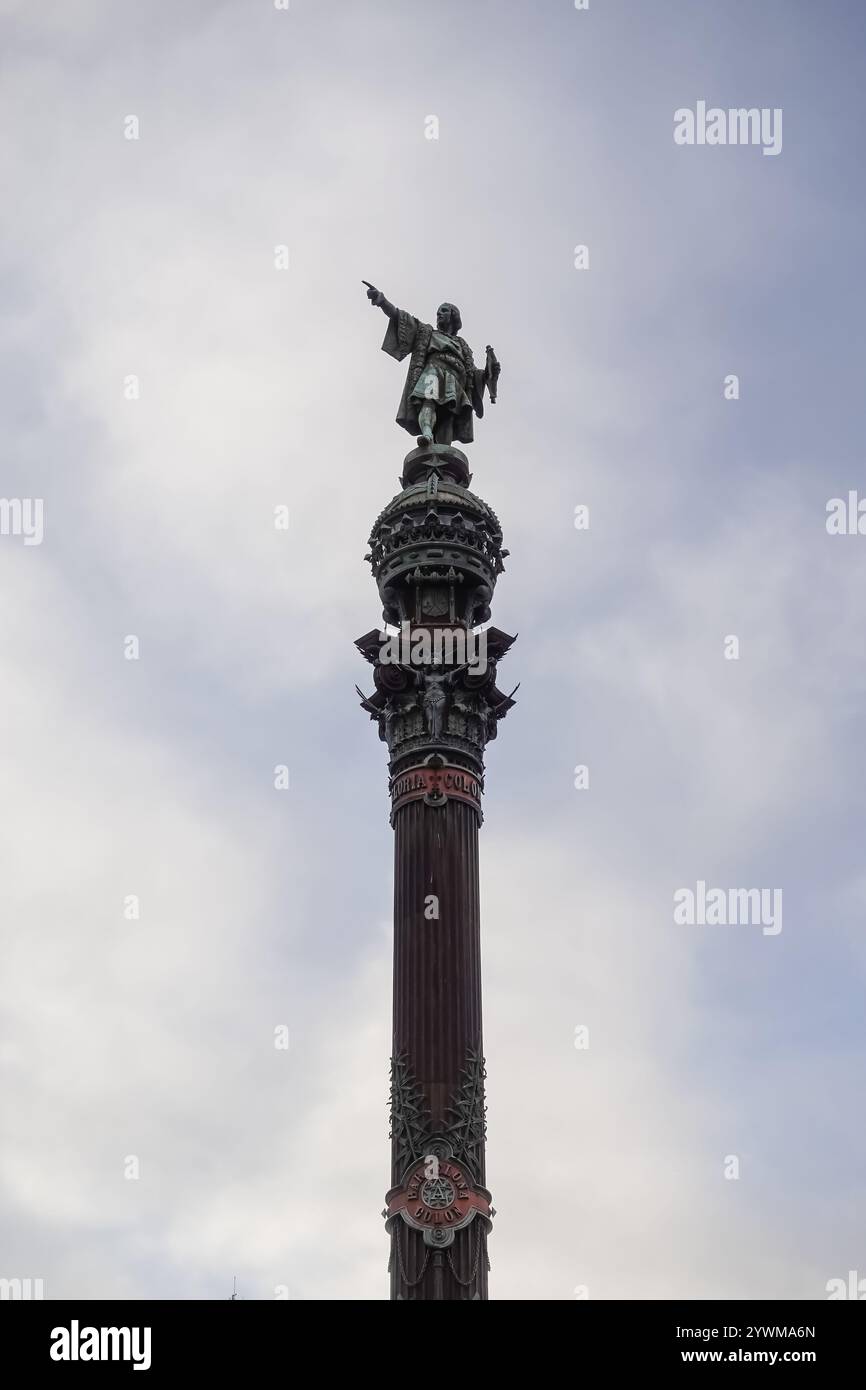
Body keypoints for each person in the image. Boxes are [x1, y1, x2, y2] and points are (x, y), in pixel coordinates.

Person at [364, 282, 500, 446]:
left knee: (449, 415)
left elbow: (473, 374)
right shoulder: (427, 332)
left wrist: (487, 373)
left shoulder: (462, 345)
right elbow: (401, 318)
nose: (439, 314)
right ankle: (427, 434)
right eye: (438, 312)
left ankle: (443, 448)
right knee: (428, 401)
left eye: (444, 311)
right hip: (433, 371)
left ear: (453, 316)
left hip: (456, 380)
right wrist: (382, 301)